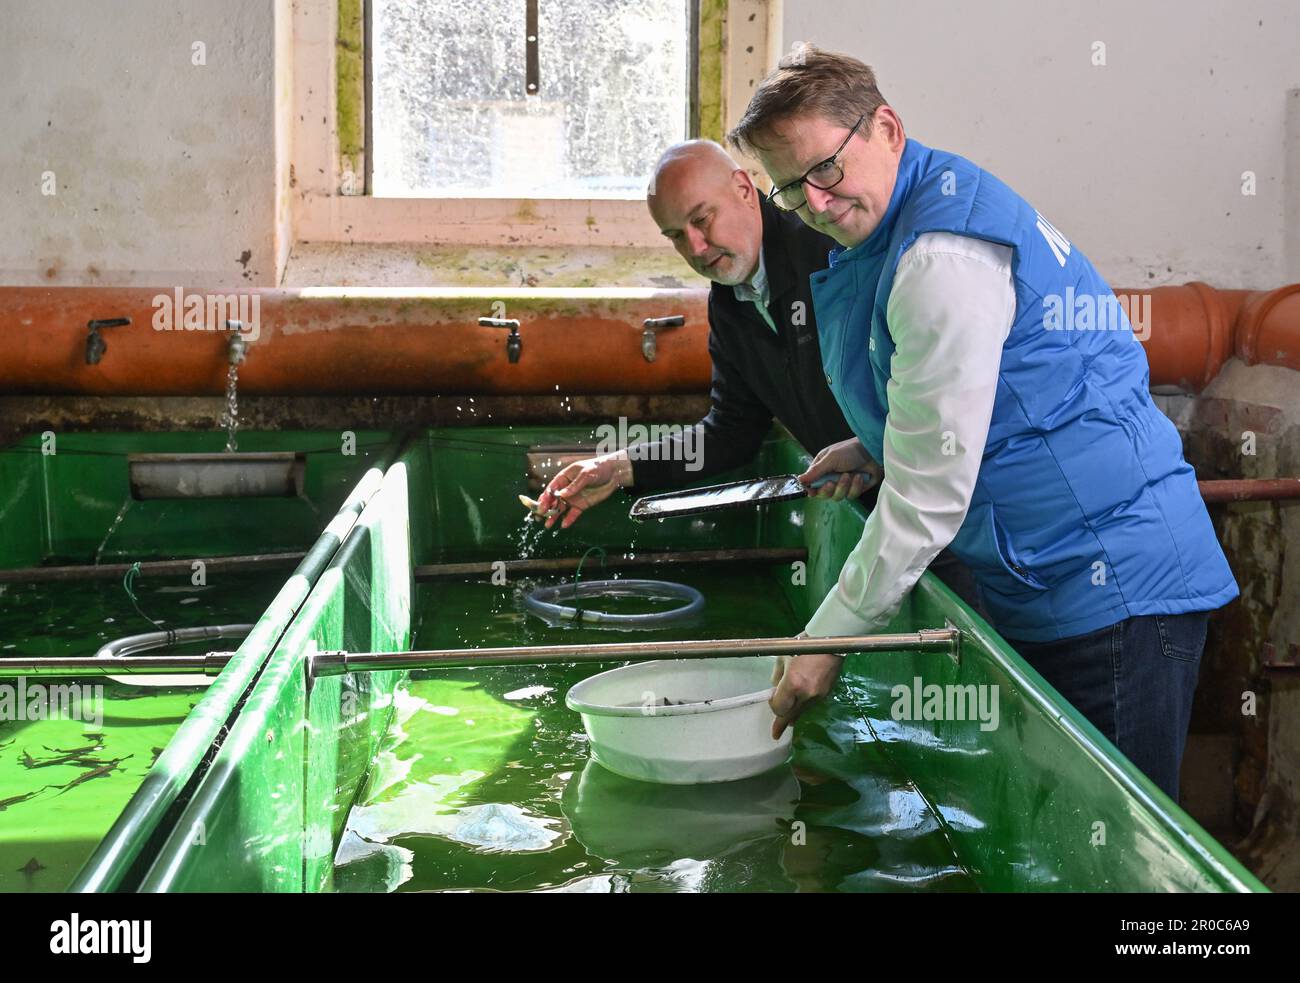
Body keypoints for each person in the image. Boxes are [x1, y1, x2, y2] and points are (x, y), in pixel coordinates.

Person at [729, 46, 1238, 801]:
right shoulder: (913, 209)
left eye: (825, 170)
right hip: (1054, 576)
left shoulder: (942, 257)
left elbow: (930, 498)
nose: (818, 204)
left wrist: (825, 640)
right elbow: (975, 399)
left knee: (1115, 853)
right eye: (791, 194)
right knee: (1069, 837)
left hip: (1116, 588)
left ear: (887, 129)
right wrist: (876, 447)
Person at [534, 140, 868, 526]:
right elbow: (731, 431)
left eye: (702, 219)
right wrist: (620, 466)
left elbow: (922, 384)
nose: (695, 246)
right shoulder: (729, 303)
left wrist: (874, 448)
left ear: (744, 189)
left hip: (930, 487)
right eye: (675, 234)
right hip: (869, 510)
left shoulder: (834, 251)